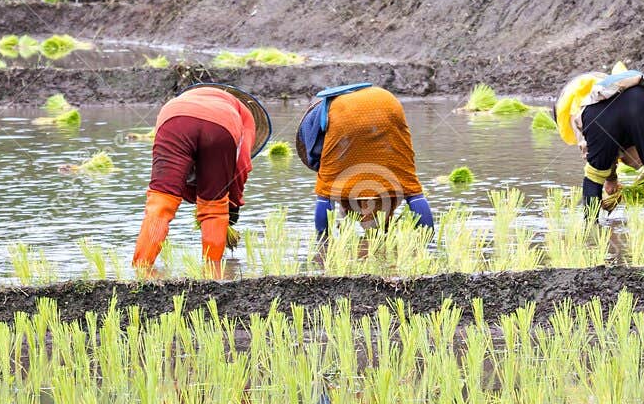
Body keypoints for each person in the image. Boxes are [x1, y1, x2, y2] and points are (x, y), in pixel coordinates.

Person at [132, 83, 270, 274]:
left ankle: (141, 270)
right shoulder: (244, 115)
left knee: (161, 201)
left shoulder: (183, 100)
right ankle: (212, 273)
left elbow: (178, 175)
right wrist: (233, 204)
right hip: (221, 125)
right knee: (214, 207)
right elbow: (242, 166)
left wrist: (190, 195)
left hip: (173, 118)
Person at [297, 83, 433, 237]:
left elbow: (314, 150)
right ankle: (428, 241)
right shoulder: (377, 95)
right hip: (388, 104)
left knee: (325, 191)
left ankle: (322, 241)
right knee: (412, 189)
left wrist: (327, 172)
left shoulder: (321, 113)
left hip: (344, 118)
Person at [556, 64, 644, 226]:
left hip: (600, 115)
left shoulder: (579, 108)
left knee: (595, 172)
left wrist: (609, 178)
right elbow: (641, 130)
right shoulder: (619, 85)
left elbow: (591, 151)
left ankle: (591, 227)